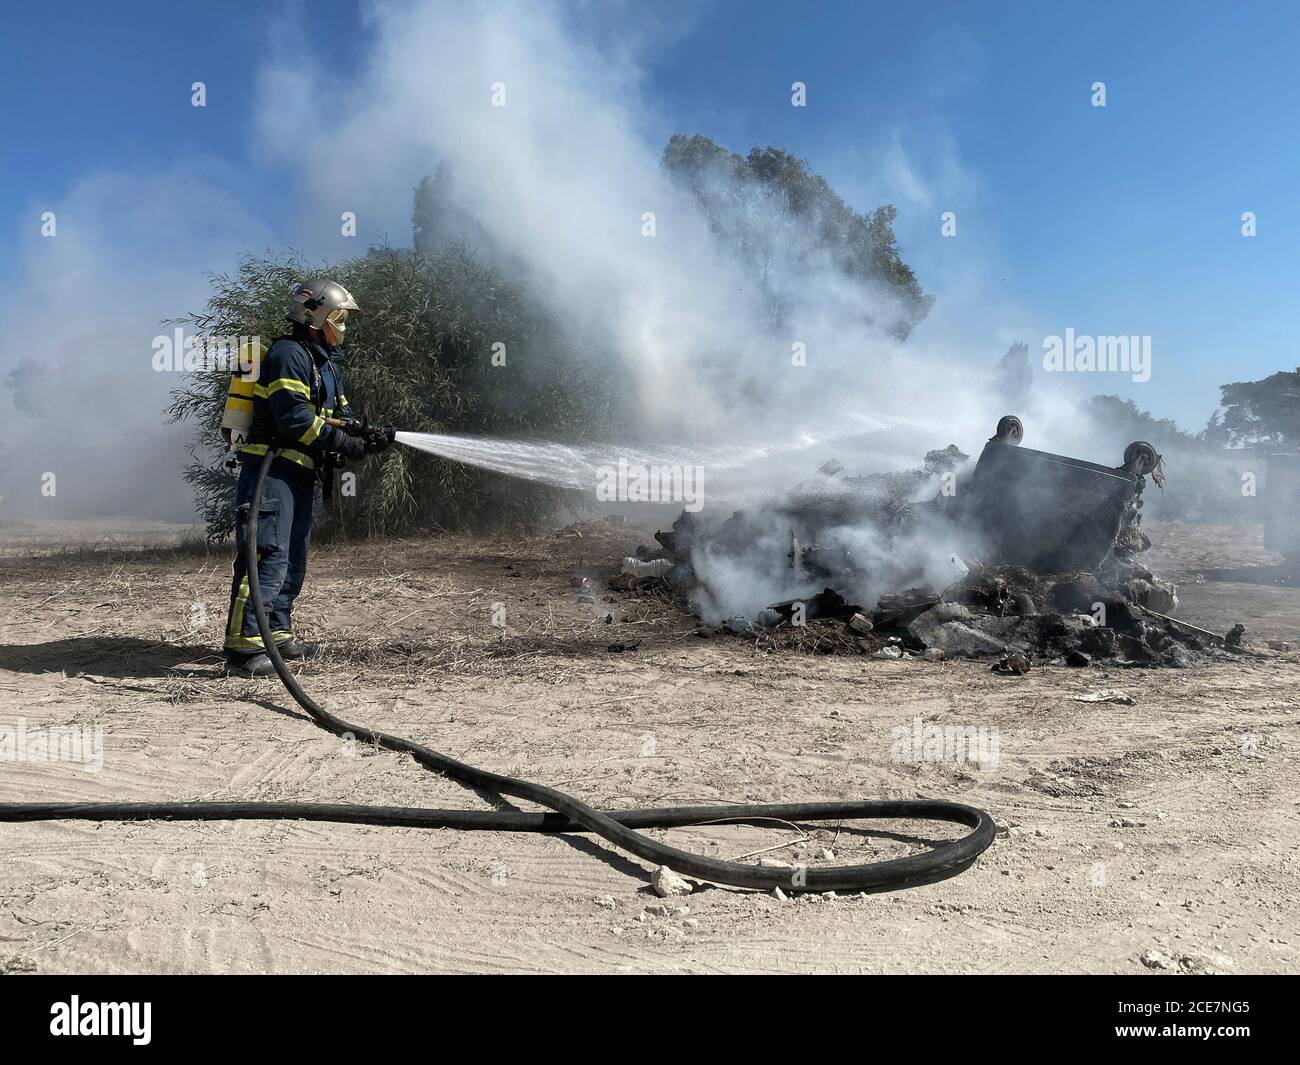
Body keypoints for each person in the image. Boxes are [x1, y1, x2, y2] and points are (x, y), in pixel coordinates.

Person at [222, 279, 392, 676]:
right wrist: (342, 442)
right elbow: (294, 417)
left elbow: (341, 417)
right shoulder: (288, 355)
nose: (343, 326)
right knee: (266, 553)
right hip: (272, 470)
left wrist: (365, 438)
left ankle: (276, 632)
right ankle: (244, 647)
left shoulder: (324, 365)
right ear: (316, 316)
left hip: (300, 472)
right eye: (339, 318)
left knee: (293, 557)